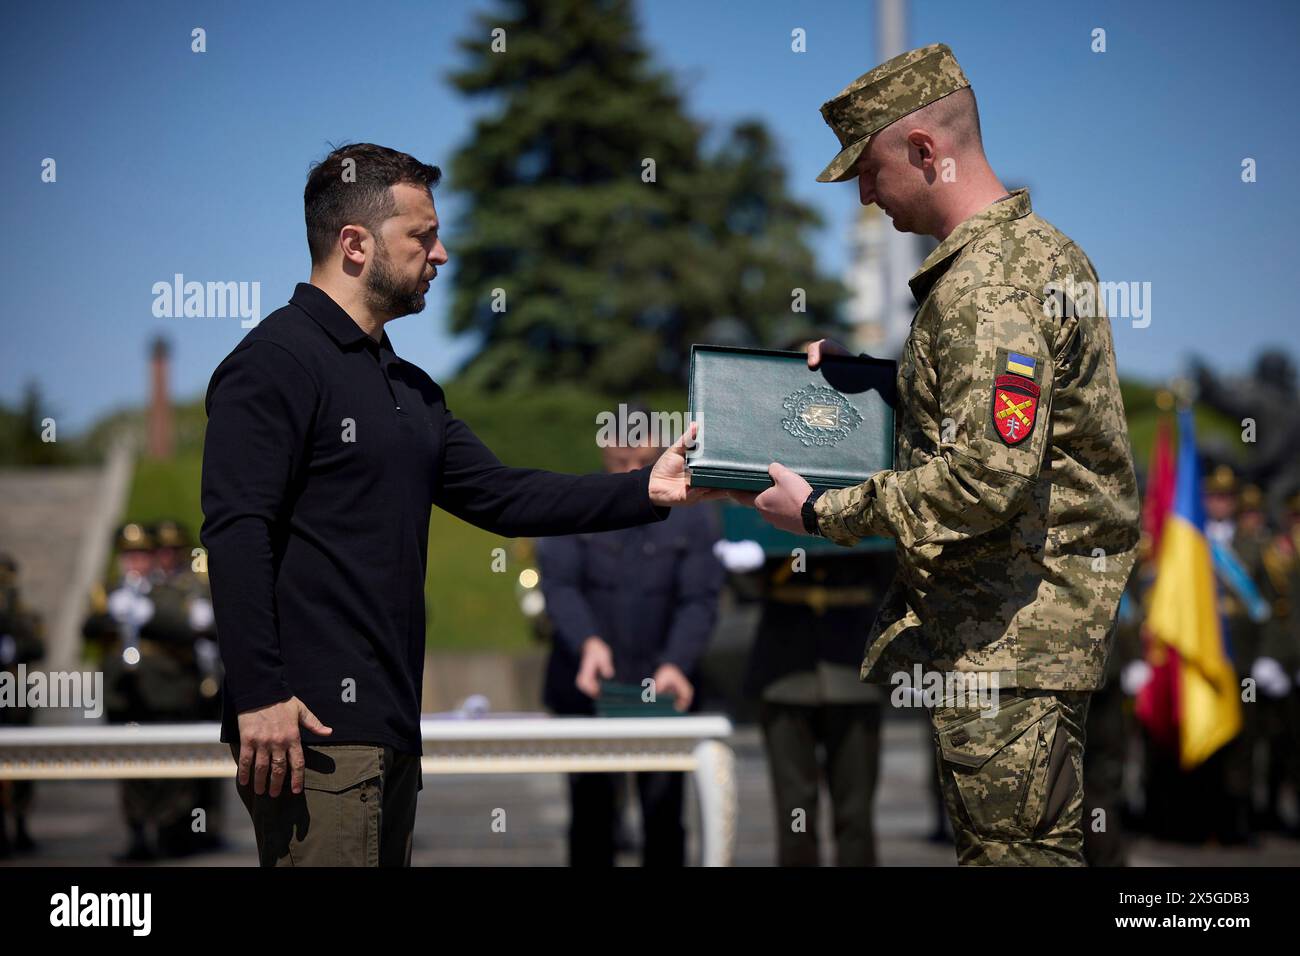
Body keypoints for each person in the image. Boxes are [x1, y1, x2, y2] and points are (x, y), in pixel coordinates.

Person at [200, 143, 719, 867]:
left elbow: (505, 496)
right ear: (355, 244)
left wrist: (645, 489)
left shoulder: (410, 389)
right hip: (309, 731)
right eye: (422, 236)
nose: (441, 254)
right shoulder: (273, 363)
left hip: (389, 724)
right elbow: (235, 531)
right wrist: (259, 694)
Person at [732, 44, 1140, 866]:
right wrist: (874, 379)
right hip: (1025, 636)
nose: (865, 194)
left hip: (1006, 642)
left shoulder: (985, 286)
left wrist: (818, 511)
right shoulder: (1034, 256)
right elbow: (1000, 424)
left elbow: (985, 476)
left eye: (870, 170)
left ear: (924, 149)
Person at [537, 421, 724, 866]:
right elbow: (560, 586)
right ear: (605, 457)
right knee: (591, 817)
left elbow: (699, 597)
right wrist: (587, 643)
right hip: (589, 688)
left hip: (663, 687)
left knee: (664, 817)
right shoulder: (577, 504)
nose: (635, 474)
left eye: (644, 463)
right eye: (623, 464)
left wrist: (678, 661)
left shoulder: (694, 514)